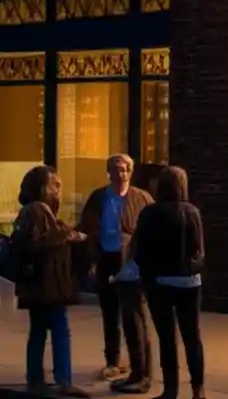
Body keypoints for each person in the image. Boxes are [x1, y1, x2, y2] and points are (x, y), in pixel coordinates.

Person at [77, 153, 155, 393]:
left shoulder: (141, 198)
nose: (120, 175)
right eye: (116, 170)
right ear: (108, 172)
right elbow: (86, 227)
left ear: (130, 172)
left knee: (135, 313)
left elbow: (150, 231)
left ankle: (139, 362)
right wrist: (90, 250)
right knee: (109, 309)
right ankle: (113, 360)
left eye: (125, 170)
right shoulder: (99, 198)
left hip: (130, 262)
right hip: (106, 258)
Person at [11, 166, 91, 398]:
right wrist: (66, 234)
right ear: (42, 187)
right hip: (47, 285)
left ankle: (36, 378)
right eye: (55, 185)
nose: (59, 189)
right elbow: (35, 244)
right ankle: (62, 380)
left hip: (41, 285)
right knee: (58, 330)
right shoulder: (37, 210)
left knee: (39, 331)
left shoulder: (34, 210)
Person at [133, 166, 206, 399]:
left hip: (161, 282)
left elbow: (141, 250)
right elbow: (199, 250)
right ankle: (198, 389)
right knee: (192, 337)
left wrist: (147, 277)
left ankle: (170, 390)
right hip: (190, 282)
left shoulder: (150, 213)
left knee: (167, 338)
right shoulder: (192, 211)